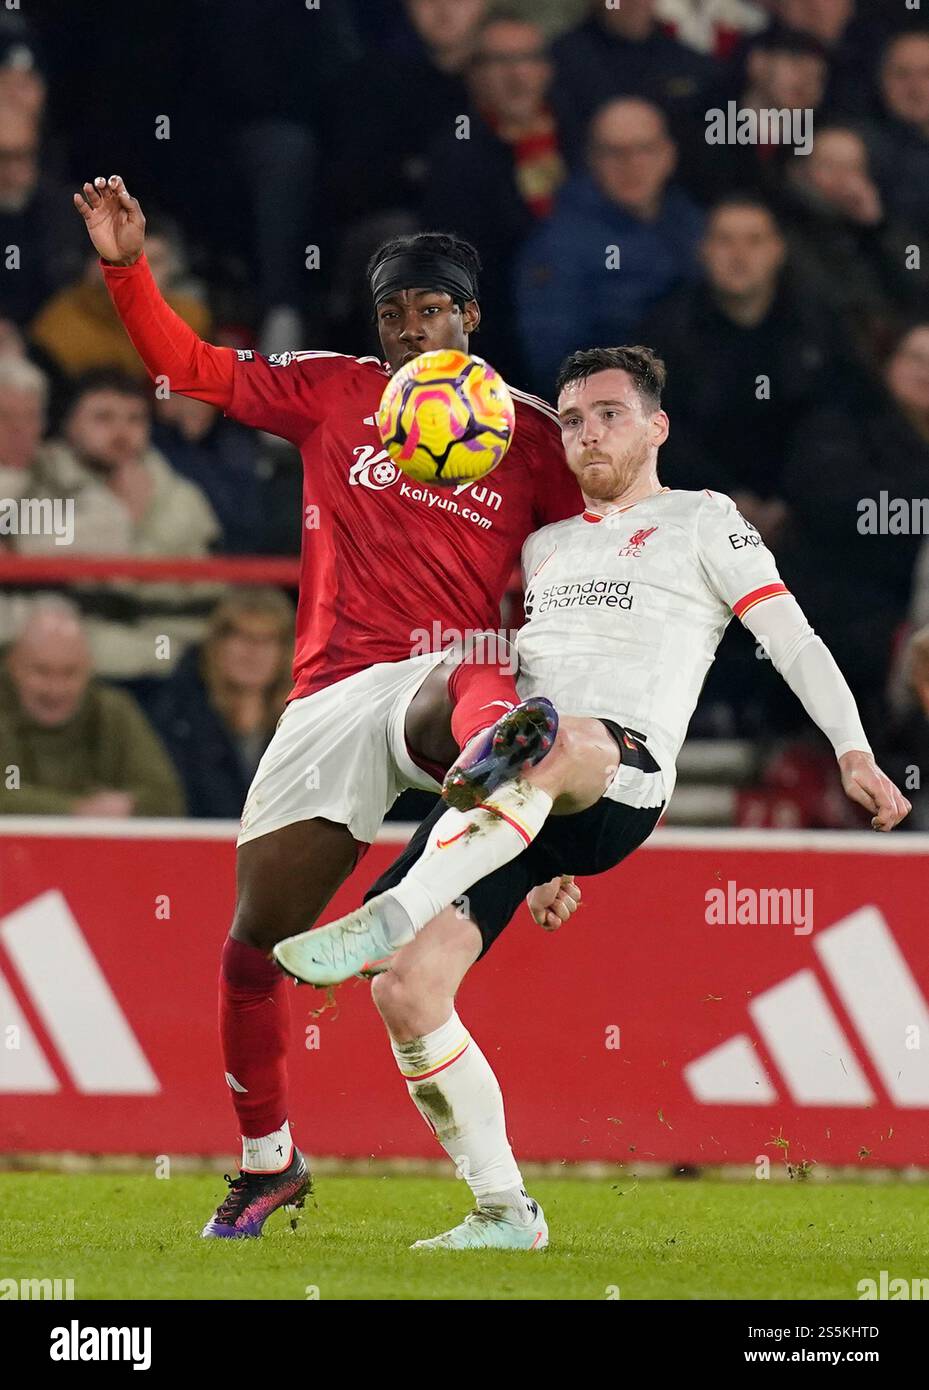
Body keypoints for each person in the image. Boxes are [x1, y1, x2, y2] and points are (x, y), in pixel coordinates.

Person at [275, 345, 910, 1251]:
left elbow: (793, 638)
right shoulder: (544, 545)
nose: (585, 433)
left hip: (619, 774)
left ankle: (388, 910)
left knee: (553, 735)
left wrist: (851, 749)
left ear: (655, 426)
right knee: (409, 994)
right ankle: (503, 1211)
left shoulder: (701, 520)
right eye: (570, 419)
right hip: (527, 799)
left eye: (608, 413)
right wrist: (529, 851)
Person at [73, 173, 580, 1237]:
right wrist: (127, 266)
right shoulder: (332, 391)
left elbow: (575, 596)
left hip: (451, 676)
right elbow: (187, 367)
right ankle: (268, 1164)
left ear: (469, 319)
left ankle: (512, 773)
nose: (407, 332)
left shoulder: (536, 439)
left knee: (470, 677)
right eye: (392, 314)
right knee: (250, 951)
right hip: (328, 698)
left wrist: (562, 831)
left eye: (429, 311)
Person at [21, 369, 222, 680]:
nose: (121, 431)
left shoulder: (181, 495)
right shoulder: (38, 480)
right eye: (103, 418)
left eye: (134, 419)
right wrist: (122, 517)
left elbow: (202, 591)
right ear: (69, 426)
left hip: (168, 660)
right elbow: (29, 557)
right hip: (69, 667)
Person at [515, 98, 703, 394]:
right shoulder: (558, 243)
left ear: (668, 155)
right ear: (592, 160)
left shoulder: (692, 221)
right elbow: (555, 364)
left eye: (644, 149)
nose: (631, 164)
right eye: (614, 152)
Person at [422, 11, 567, 381]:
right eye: (500, 61)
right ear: (474, 73)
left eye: (528, 59)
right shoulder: (458, 155)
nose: (516, 75)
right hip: (507, 327)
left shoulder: (583, 138)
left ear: (546, 69)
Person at [0, 597, 184, 817]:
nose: (55, 689)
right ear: (12, 666)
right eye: (41, 671)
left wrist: (128, 805)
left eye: (69, 672)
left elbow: (167, 799)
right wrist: (78, 810)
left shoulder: (114, 711)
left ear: (89, 670)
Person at [147, 589, 295, 819]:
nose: (253, 652)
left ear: (284, 652)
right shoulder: (177, 715)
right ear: (218, 645)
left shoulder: (304, 719)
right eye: (242, 637)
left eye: (266, 640)